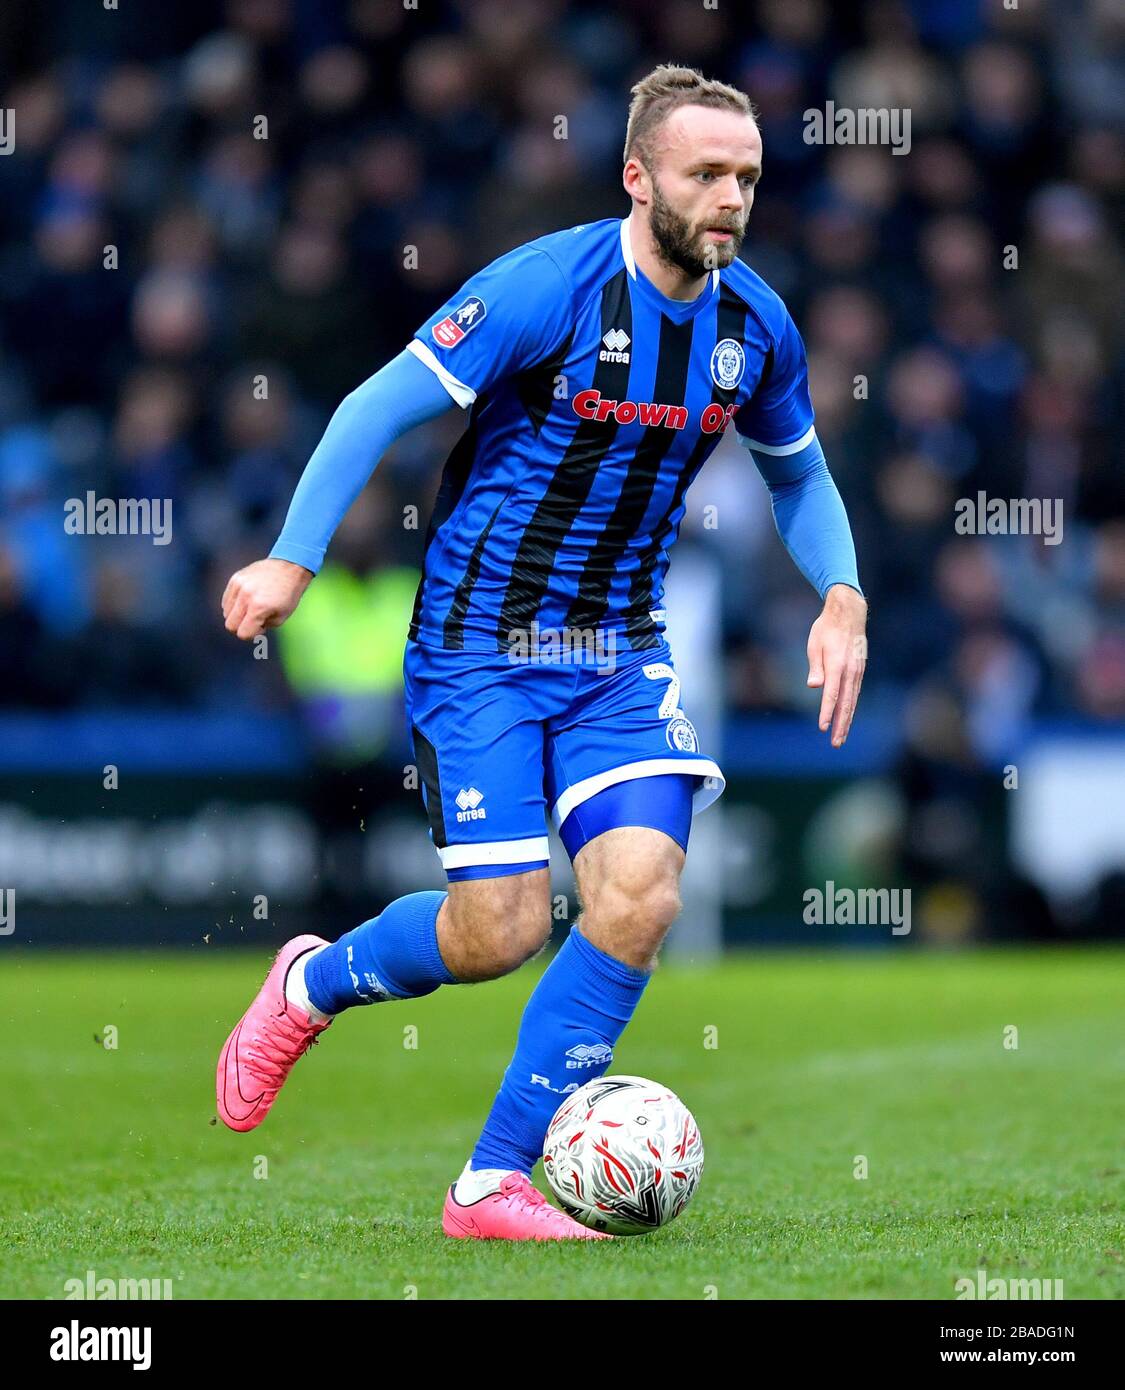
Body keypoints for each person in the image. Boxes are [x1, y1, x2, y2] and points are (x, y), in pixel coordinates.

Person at [215, 64, 868, 1240]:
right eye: (706, 174)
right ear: (637, 177)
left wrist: (843, 594)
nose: (730, 199)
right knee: (499, 932)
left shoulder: (755, 325)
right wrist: (293, 560)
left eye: (748, 179)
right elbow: (374, 405)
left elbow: (802, 471)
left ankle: (491, 1182)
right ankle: (310, 981)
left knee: (641, 894)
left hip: (618, 651)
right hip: (482, 647)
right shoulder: (545, 288)